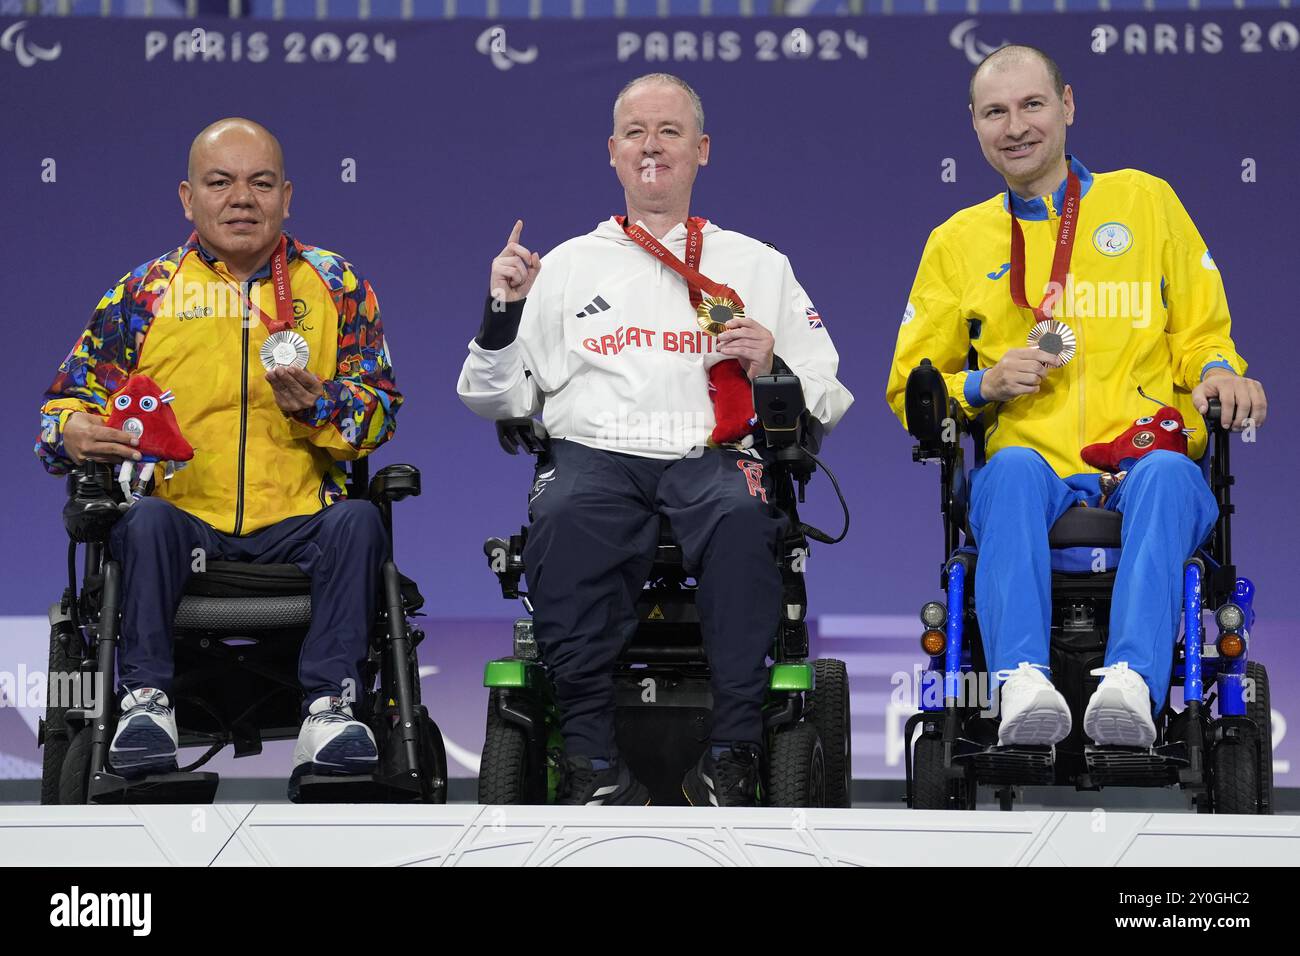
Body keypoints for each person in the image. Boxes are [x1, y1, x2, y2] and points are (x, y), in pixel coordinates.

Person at [458, 73, 853, 806]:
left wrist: (774, 362)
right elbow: (493, 394)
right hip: (595, 454)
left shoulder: (759, 265)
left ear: (701, 150)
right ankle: (589, 758)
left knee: (744, 520)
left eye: (669, 131)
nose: (651, 145)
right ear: (612, 151)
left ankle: (733, 751)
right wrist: (502, 310)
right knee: (566, 515)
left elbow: (827, 391)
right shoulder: (566, 266)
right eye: (636, 132)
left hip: (713, 455)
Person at [886, 46, 1267, 748]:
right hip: (1032, 469)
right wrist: (982, 382)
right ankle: (1022, 682)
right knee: (1005, 475)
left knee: (1169, 474)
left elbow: (1202, 331)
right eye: (995, 112)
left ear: (1067, 105)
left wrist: (1219, 370)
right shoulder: (957, 241)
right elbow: (913, 386)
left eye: (1032, 105)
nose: (1016, 126)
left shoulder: (1146, 202)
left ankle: (1129, 682)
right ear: (973, 125)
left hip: (1141, 460)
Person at [36, 118, 402, 791]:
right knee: (140, 521)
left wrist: (319, 405)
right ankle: (145, 705)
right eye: (220, 182)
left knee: (359, 520)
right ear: (187, 197)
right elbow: (61, 408)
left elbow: (380, 414)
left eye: (260, 183)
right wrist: (73, 432)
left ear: (286, 196)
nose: (242, 198)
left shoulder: (336, 284)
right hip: (184, 523)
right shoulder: (143, 294)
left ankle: (330, 710)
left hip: (300, 523)